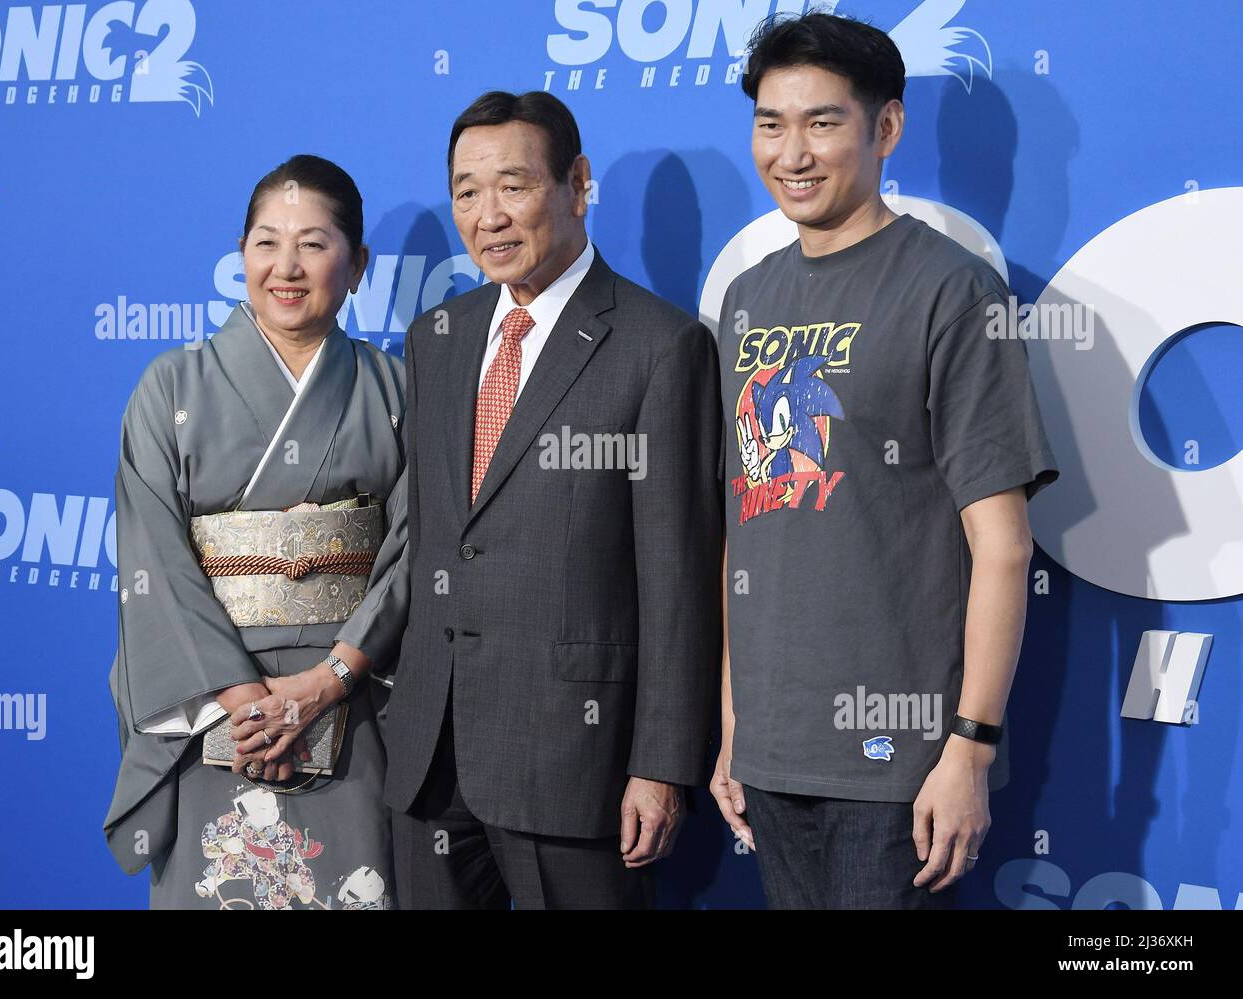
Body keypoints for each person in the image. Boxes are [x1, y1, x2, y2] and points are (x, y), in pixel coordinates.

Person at [710, 12, 1059, 909]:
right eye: (771, 124)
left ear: (887, 128)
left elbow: (1004, 546)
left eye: (823, 122)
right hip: (771, 754)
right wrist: (733, 726)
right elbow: (743, 534)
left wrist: (970, 746)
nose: (793, 152)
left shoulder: (950, 287)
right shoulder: (748, 299)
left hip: (896, 763)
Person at [385, 90, 724, 909]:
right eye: (466, 191)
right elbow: (436, 537)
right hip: (432, 753)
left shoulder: (660, 346)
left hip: (578, 762)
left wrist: (661, 763)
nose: (487, 215)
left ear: (577, 183)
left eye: (513, 184)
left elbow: (678, 576)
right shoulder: (438, 337)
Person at [103, 155, 409, 910]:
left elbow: (417, 552)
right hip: (215, 710)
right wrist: (246, 702)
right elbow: (155, 562)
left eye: (314, 243)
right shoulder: (170, 388)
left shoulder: (398, 389)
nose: (287, 266)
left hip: (354, 700)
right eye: (266, 242)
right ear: (240, 255)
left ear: (359, 263)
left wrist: (326, 683)